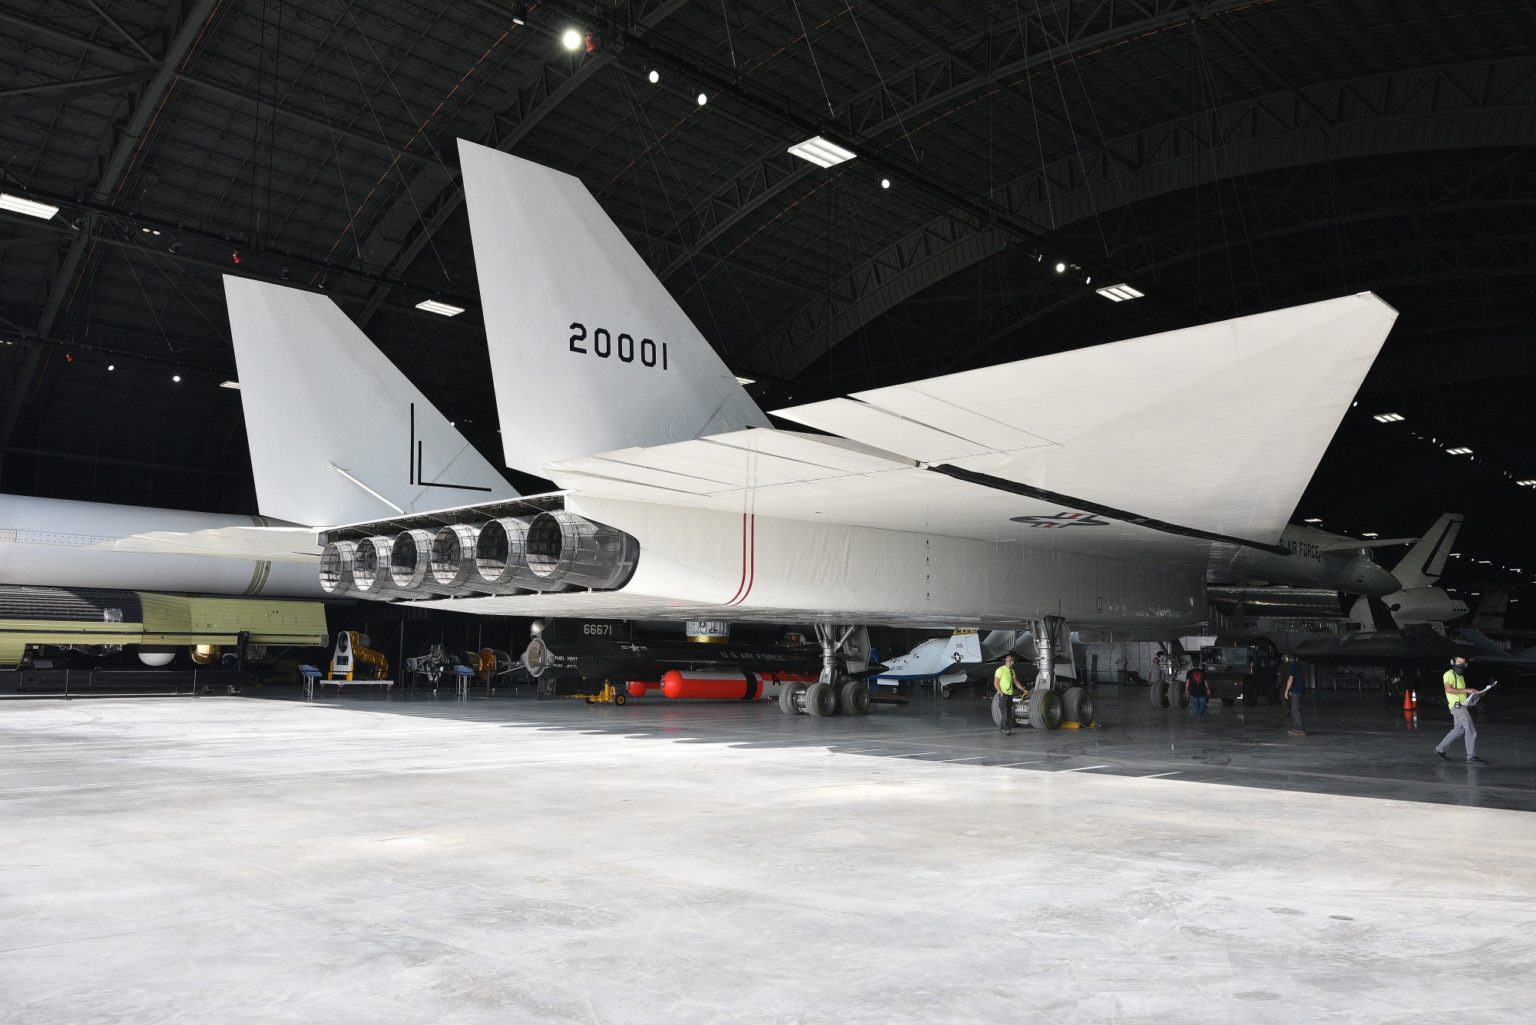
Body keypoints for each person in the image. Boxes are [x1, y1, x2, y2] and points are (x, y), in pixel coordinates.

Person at [1435, 656, 1489, 764]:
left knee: (1459, 731)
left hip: (1462, 706)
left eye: (1463, 662)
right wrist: (1466, 690)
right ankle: (1471, 756)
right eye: (1459, 661)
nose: (1461, 663)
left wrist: (1478, 694)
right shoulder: (1449, 674)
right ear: (1453, 662)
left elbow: (1461, 693)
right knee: (1470, 729)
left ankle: (1440, 749)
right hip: (1457, 707)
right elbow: (1448, 689)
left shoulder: (1461, 677)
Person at [993, 653, 1025, 735]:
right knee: (1005, 711)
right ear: (1009, 661)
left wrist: (1023, 689)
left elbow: (1016, 682)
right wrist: (1001, 692)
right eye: (1012, 662)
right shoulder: (1000, 670)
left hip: (1010, 694)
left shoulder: (1012, 671)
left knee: (1007, 712)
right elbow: (996, 683)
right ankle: (1007, 729)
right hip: (1003, 694)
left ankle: (1001, 727)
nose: (1013, 663)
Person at [1281, 655, 1307, 736]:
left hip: (1296, 690)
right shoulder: (1299, 666)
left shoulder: (1293, 666)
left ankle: (1300, 729)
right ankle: (1297, 728)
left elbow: (1290, 679)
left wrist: (1286, 690)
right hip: (1300, 689)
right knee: (1295, 709)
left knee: (1295, 710)